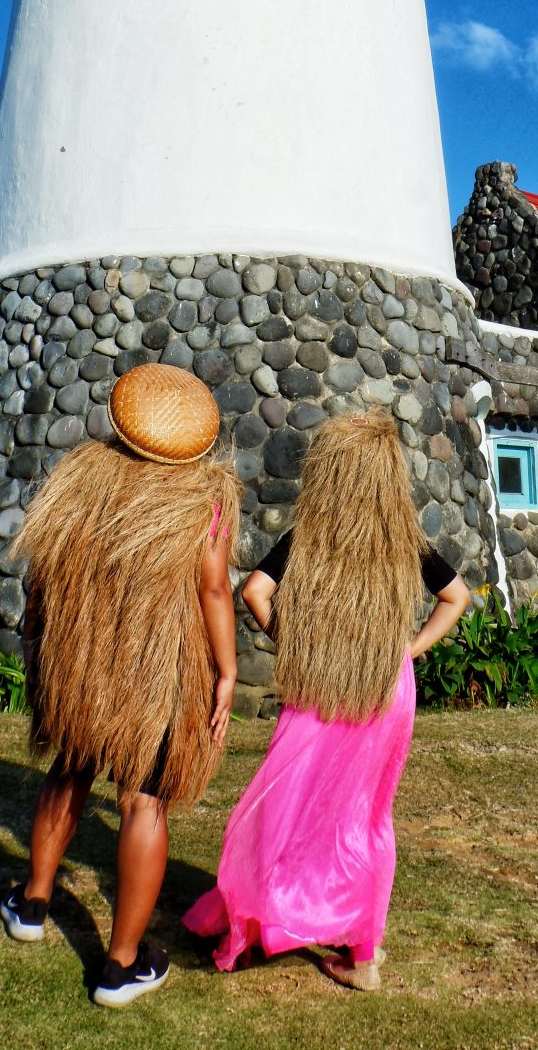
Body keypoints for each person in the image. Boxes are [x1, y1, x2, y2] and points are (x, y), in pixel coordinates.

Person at [184, 409, 470, 991]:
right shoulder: (404, 543)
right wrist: (407, 651)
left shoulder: (309, 539)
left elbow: (255, 591)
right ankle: (361, 951)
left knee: (286, 808)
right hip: (384, 687)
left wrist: (293, 642)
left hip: (324, 681)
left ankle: (266, 917)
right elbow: (457, 598)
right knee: (364, 817)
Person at [0, 364, 240, 1008]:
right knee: (143, 801)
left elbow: (44, 570)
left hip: (84, 659)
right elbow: (214, 588)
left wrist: (41, 639)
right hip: (156, 669)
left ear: (125, 423)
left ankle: (32, 903)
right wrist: (227, 670)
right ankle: (121, 964)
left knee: (70, 768)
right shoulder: (205, 497)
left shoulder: (82, 475)